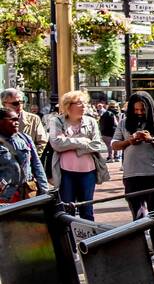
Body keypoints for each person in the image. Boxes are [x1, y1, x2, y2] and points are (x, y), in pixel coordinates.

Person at [47, 90, 107, 221]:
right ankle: (69, 239)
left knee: (87, 210)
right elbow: (56, 143)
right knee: (67, 210)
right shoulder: (57, 121)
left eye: (85, 103)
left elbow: (98, 145)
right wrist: (83, 141)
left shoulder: (91, 121)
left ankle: (90, 239)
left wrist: (70, 144)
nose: (84, 106)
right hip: (65, 172)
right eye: (79, 103)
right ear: (68, 105)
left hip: (88, 172)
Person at [111, 92, 154, 220]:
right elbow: (114, 144)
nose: (139, 112)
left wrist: (151, 139)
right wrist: (129, 141)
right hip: (131, 175)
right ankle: (141, 239)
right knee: (138, 216)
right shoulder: (124, 123)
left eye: (142, 109)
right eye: (136, 109)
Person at [0, 107, 48, 204]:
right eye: (12, 120)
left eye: (17, 119)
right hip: (5, 197)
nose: (16, 122)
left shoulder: (25, 138)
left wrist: (45, 191)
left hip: (28, 194)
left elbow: (37, 166)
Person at [1, 88, 47, 157]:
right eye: (15, 103)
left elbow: (42, 142)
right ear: (4, 104)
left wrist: (31, 156)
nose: (20, 106)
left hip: (27, 162)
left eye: (22, 102)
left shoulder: (34, 119)